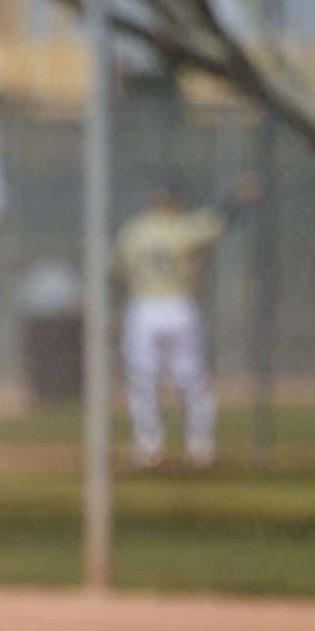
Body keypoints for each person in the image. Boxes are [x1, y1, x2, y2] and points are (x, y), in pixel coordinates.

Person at [115, 174, 261, 468]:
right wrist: (239, 199)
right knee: (185, 378)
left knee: (151, 378)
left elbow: (118, 272)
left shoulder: (136, 230)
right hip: (175, 306)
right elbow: (219, 219)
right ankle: (191, 442)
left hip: (149, 306)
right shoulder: (184, 227)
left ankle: (157, 442)